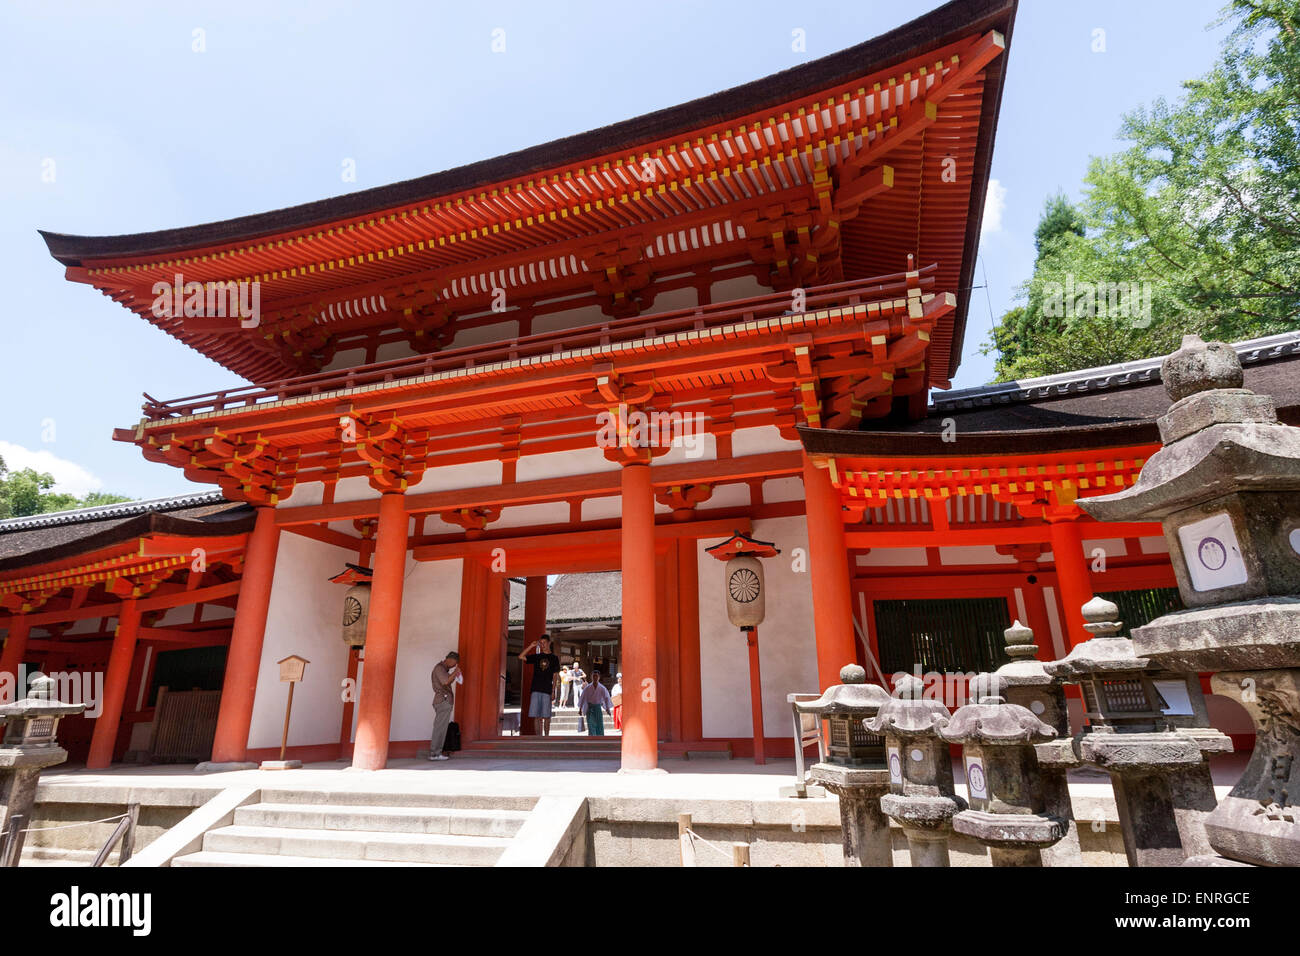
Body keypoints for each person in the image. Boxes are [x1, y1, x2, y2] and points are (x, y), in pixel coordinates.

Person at [518, 634, 560, 735]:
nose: (542, 645)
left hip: (547, 689)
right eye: (541, 643)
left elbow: (555, 676)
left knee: (547, 716)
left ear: (549, 643)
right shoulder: (537, 657)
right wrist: (531, 646)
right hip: (535, 688)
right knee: (536, 716)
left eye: (544, 642)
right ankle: (538, 737)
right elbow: (521, 656)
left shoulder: (554, 658)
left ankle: (546, 737)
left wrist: (553, 690)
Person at [429, 651, 462, 761]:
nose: (454, 666)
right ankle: (434, 753)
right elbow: (445, 681)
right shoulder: (439, 668)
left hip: (444, 701)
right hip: (442, 700)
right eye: (454, 663)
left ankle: (436, 752)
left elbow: (447, 681)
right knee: (439, 728)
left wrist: (454, 674)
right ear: (450, 660)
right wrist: (455, 672)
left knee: (441, 728)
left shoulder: (443, 669)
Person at [579, 671, 613, 737]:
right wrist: (580, 709)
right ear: (591, 677)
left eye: (596, 676)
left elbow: (606, 698)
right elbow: (582, 698)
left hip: (597, 708)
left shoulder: (602, 688)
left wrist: (607, 709)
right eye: (593, 676)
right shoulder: (587, 688)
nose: (595, 677)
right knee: (591, 725)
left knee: (599, 724)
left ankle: (600, 739)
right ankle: (592, 739)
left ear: (599, 677)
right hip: (590, 709)